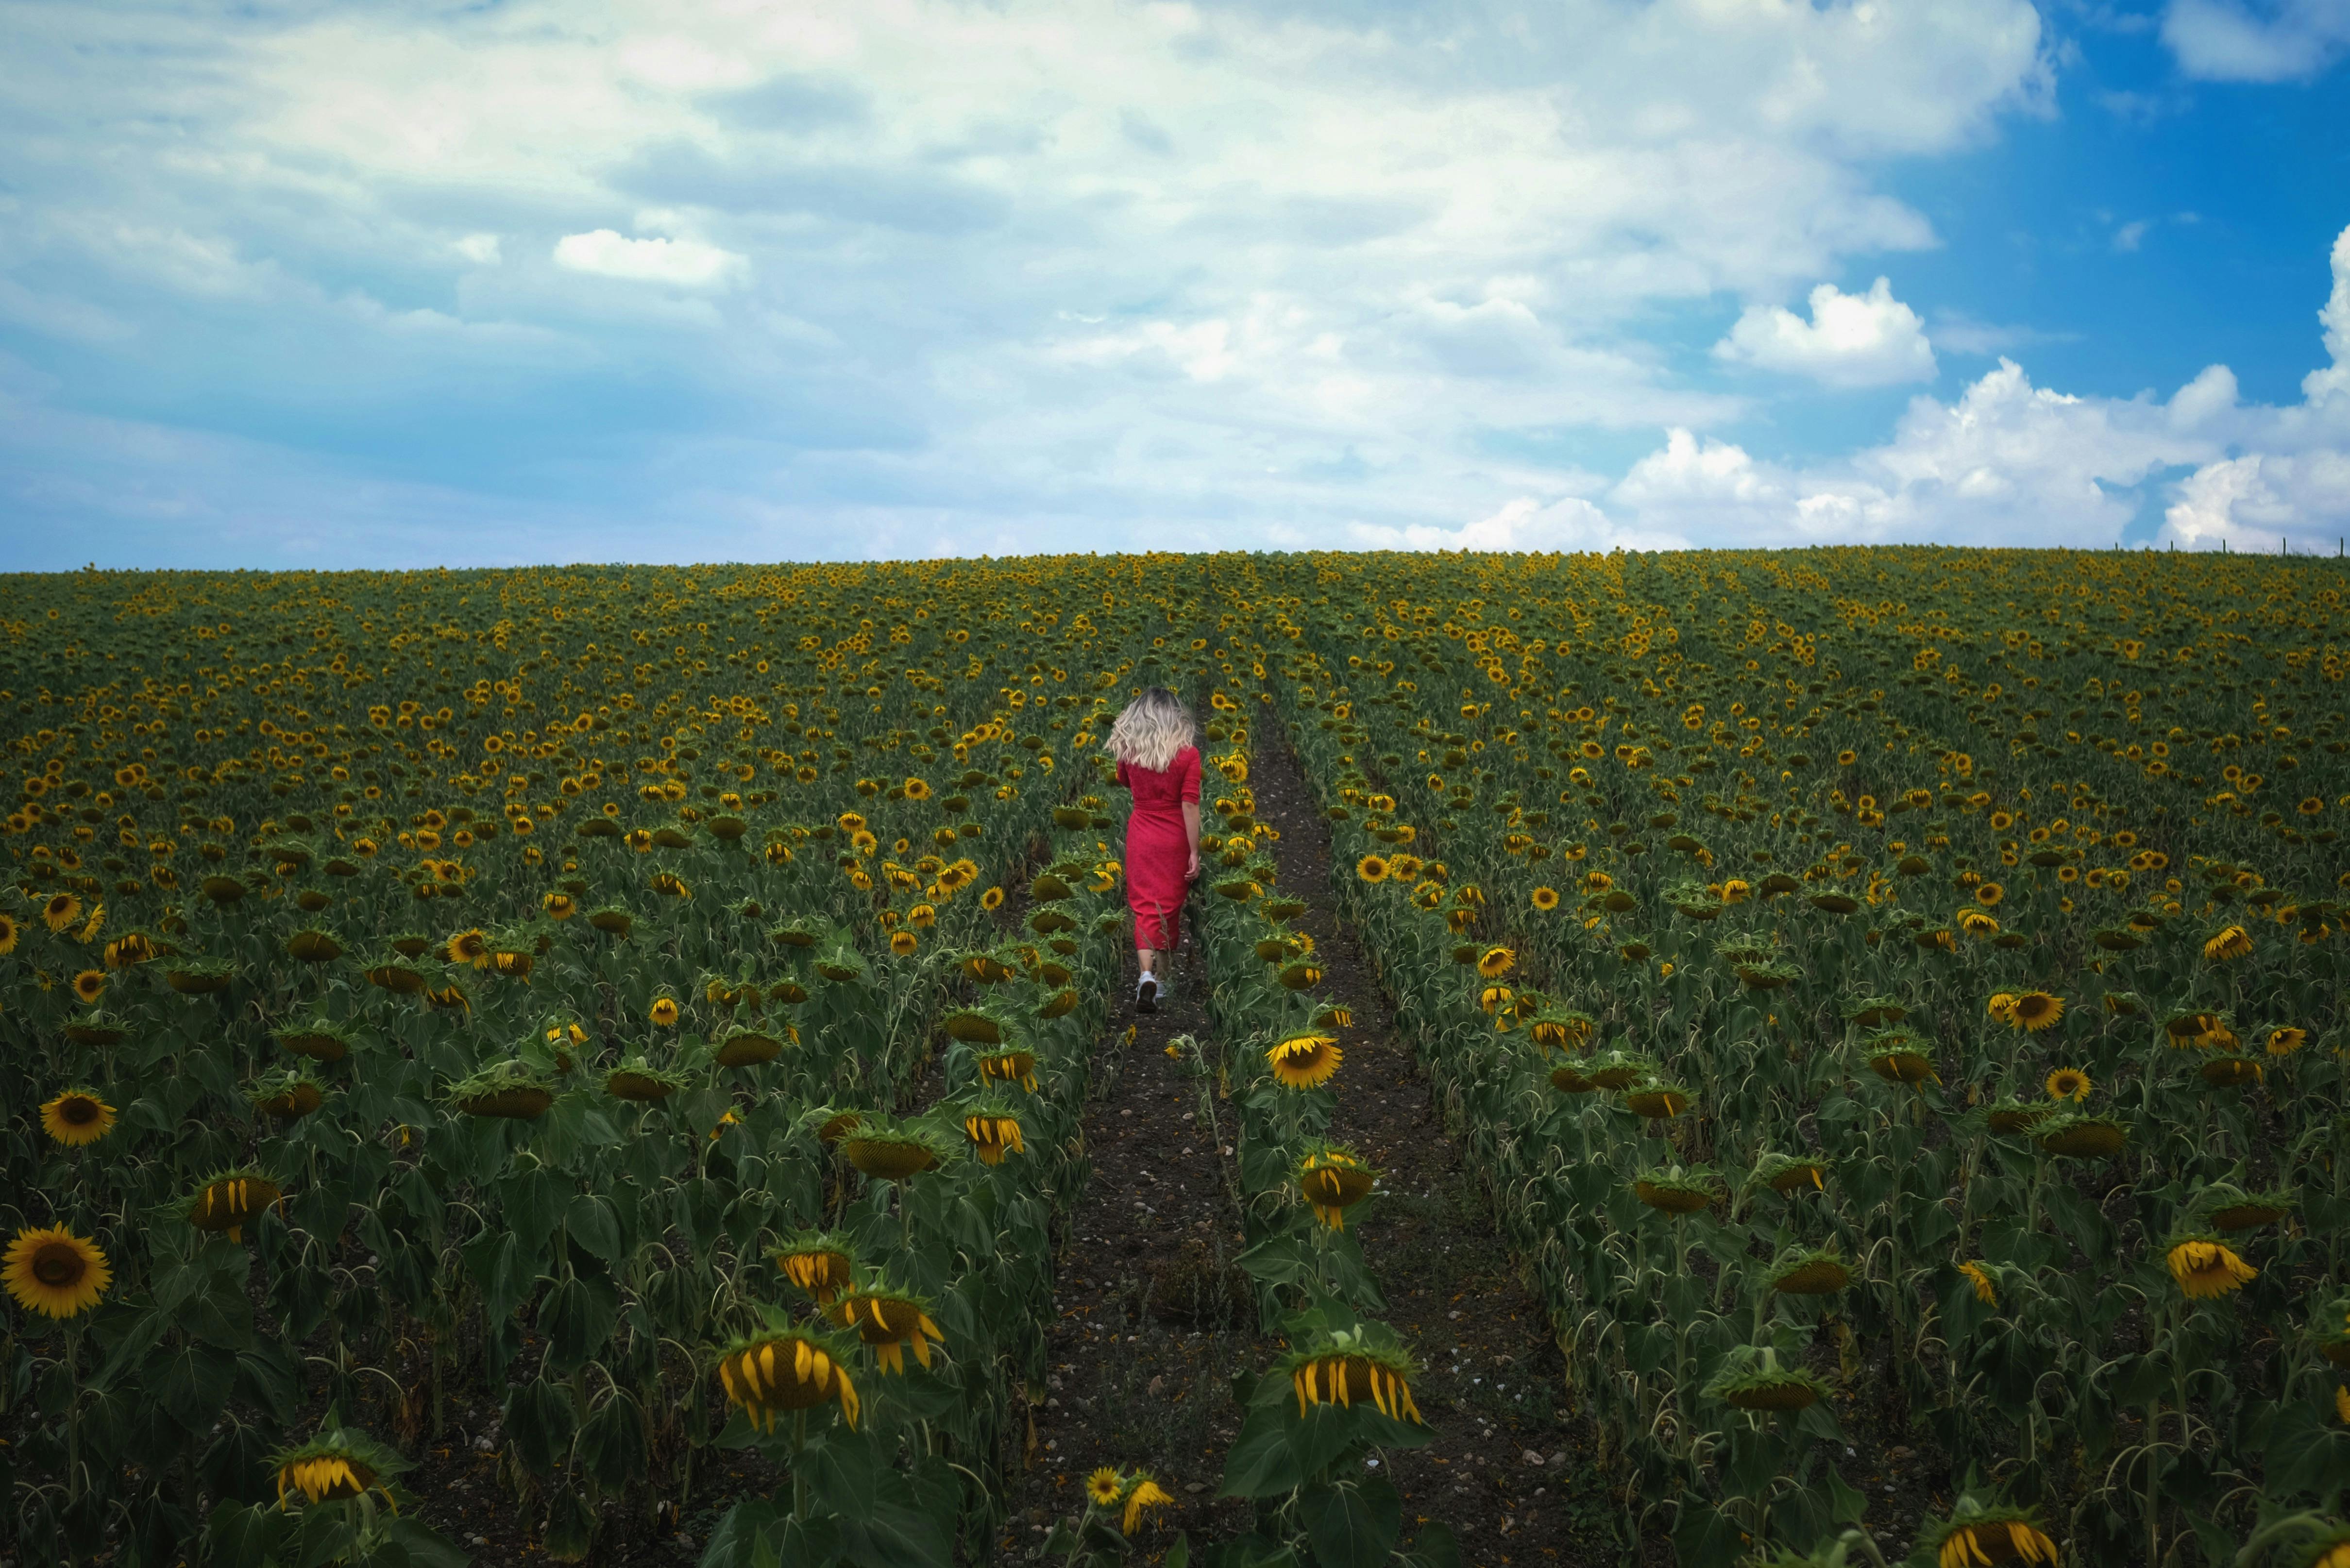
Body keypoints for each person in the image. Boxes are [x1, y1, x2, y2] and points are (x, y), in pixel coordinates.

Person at [1102, 687, 1200, 1012]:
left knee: (1144, 907)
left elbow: (1125, 782)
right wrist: (1194, 851)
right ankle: (1165, 978)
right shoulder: (1187, 754)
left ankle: (1145, 976)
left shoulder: (1129, 750)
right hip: (1173, 837)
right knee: (1168, 908)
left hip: (1141, 834)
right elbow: (1189, 805)